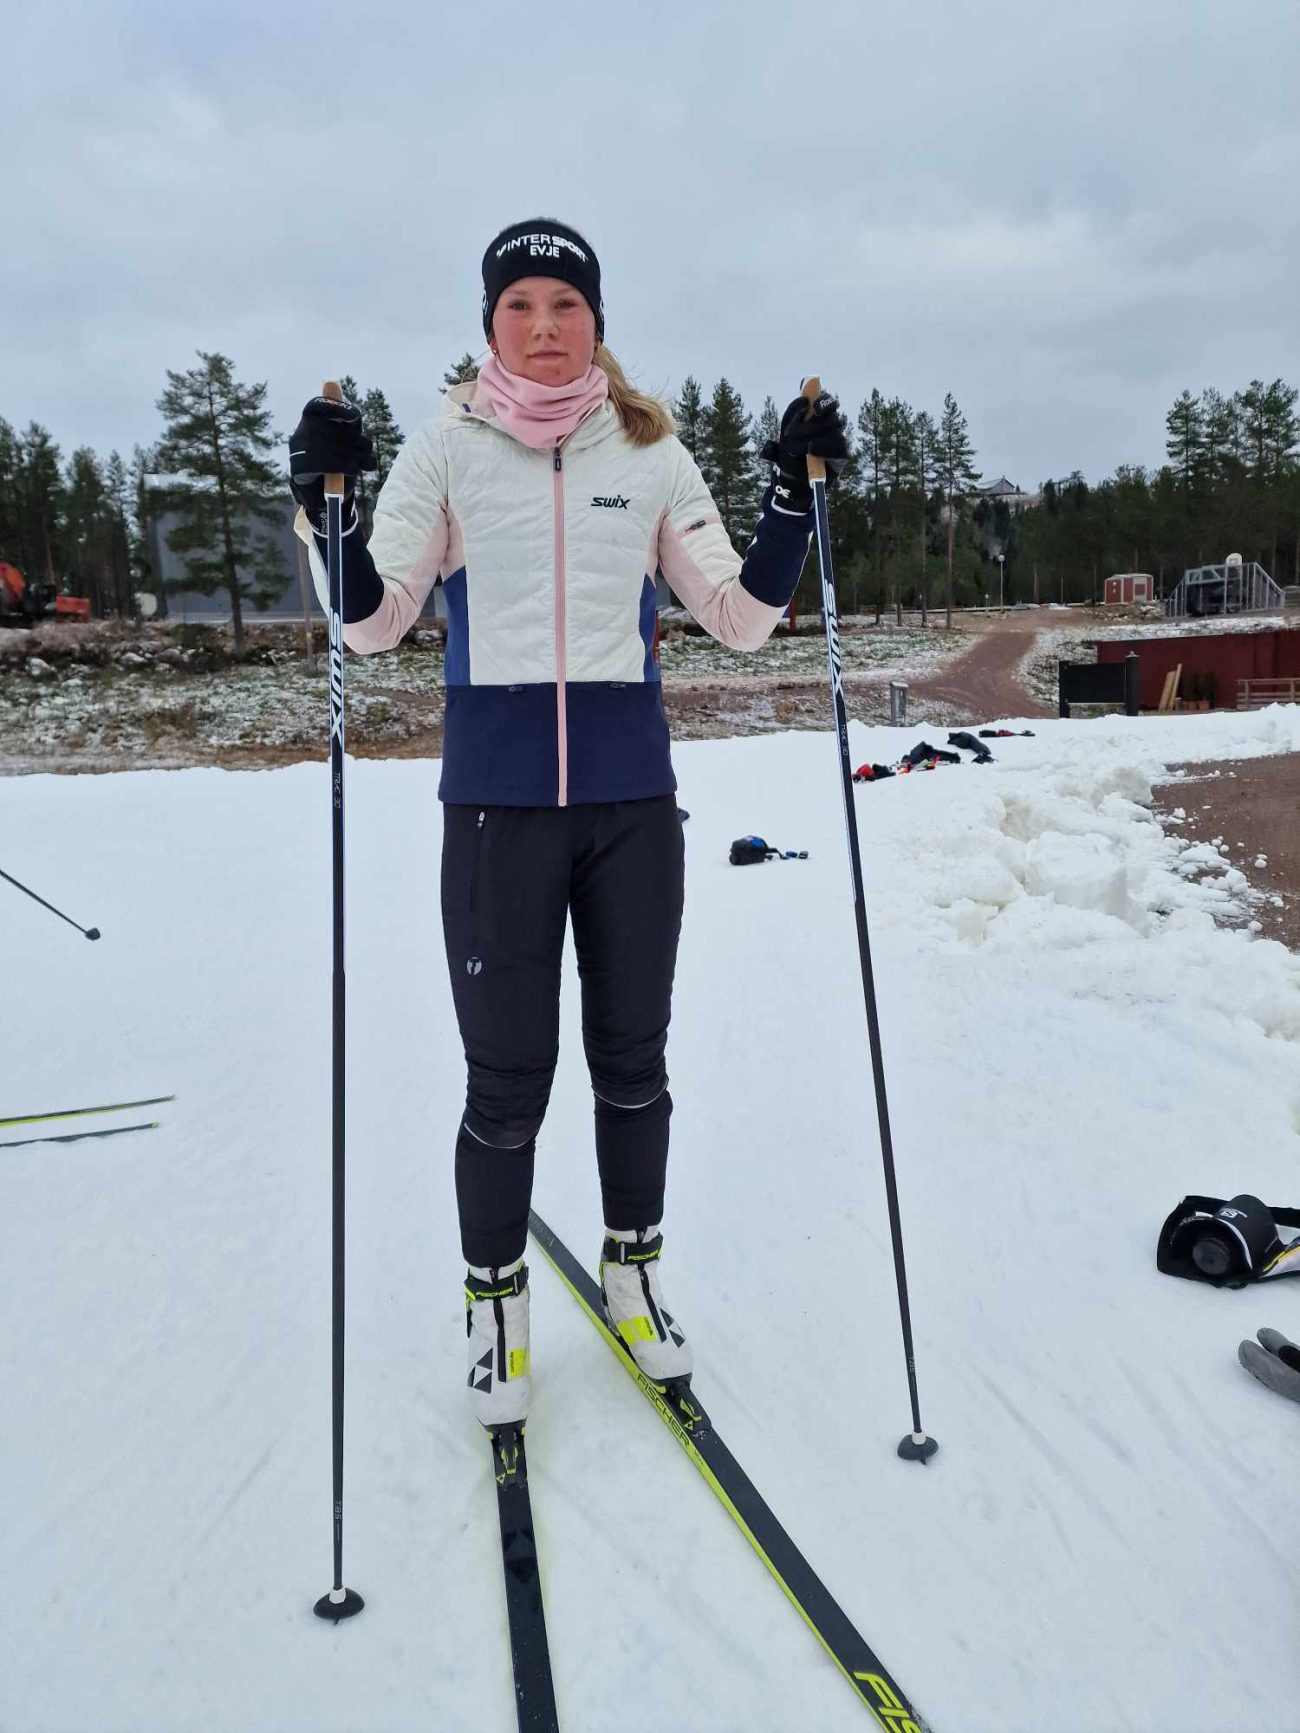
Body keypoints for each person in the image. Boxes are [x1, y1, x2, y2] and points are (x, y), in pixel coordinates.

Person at [288, 217, 848, 1430]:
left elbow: (742, 618)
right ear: (488, 325)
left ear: (598, 322)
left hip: (630, 811)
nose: (543, 330)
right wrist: (316, 504)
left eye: (566, 307)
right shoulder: (443, 453)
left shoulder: (649, 453)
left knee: (633, 1065)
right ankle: (494, 1306)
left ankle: (633, 1274)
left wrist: (787, 503)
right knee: (504, 1082)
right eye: (519, 308)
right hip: (495, 814)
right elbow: (374, 620)